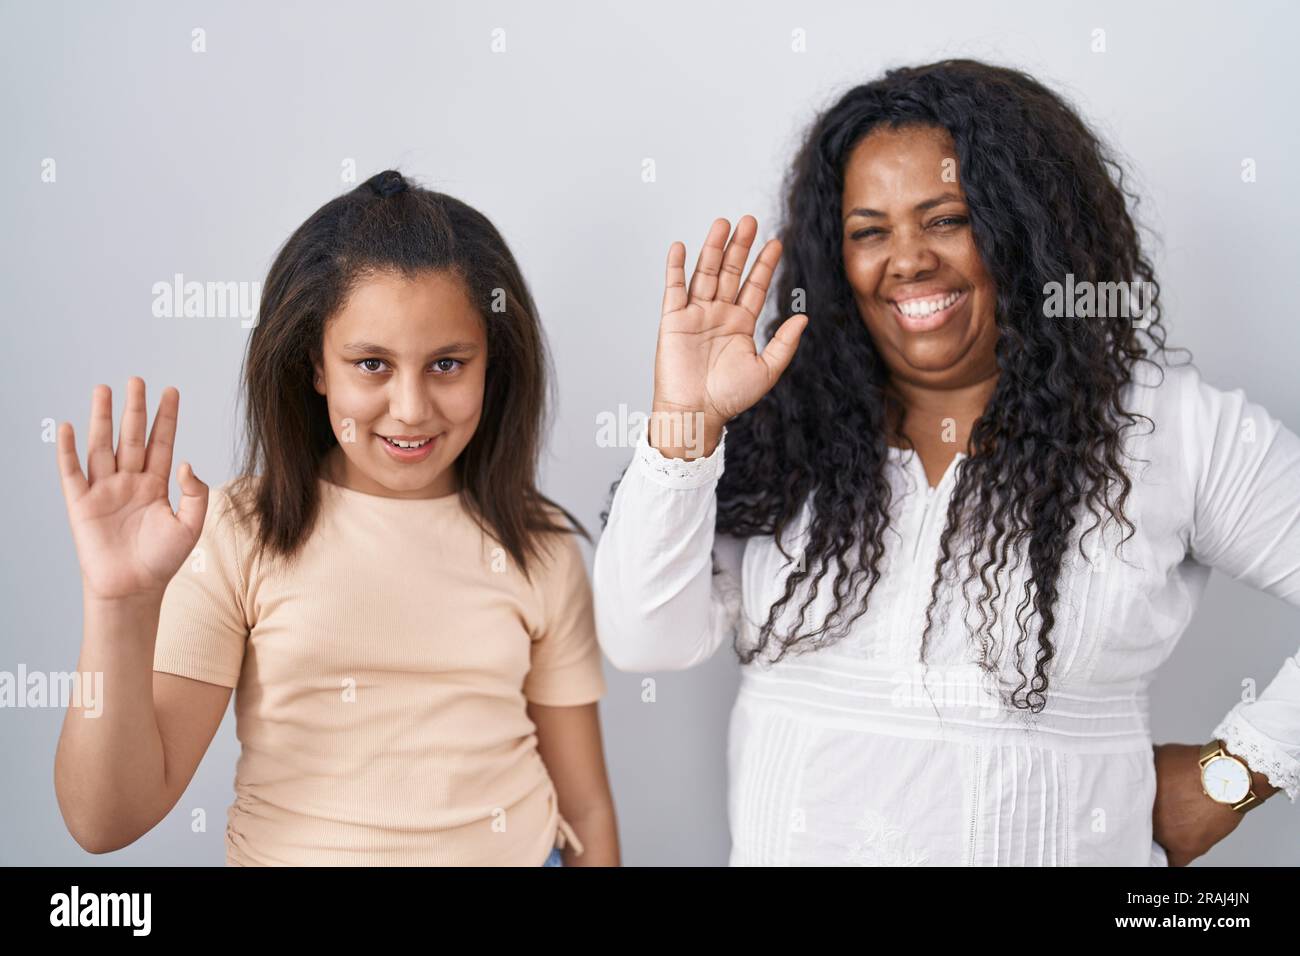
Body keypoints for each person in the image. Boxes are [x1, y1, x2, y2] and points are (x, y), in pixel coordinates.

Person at [593, 60, 1299, 866]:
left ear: (1026, 229)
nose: (907, 260)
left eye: (947, 219)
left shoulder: (1163, 425)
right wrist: (687, 421)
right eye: (869, 231)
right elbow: (643, 639)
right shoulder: (779, 425)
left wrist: (1237, 773)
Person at [53, 169, 618, 866]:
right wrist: (119, 605)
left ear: (491, 365)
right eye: (371, 364)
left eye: (446, 363)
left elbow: (585, 805)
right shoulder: (241, 531)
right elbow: (103, 821)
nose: (410, 408)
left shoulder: (537, 546)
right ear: (315, 365)